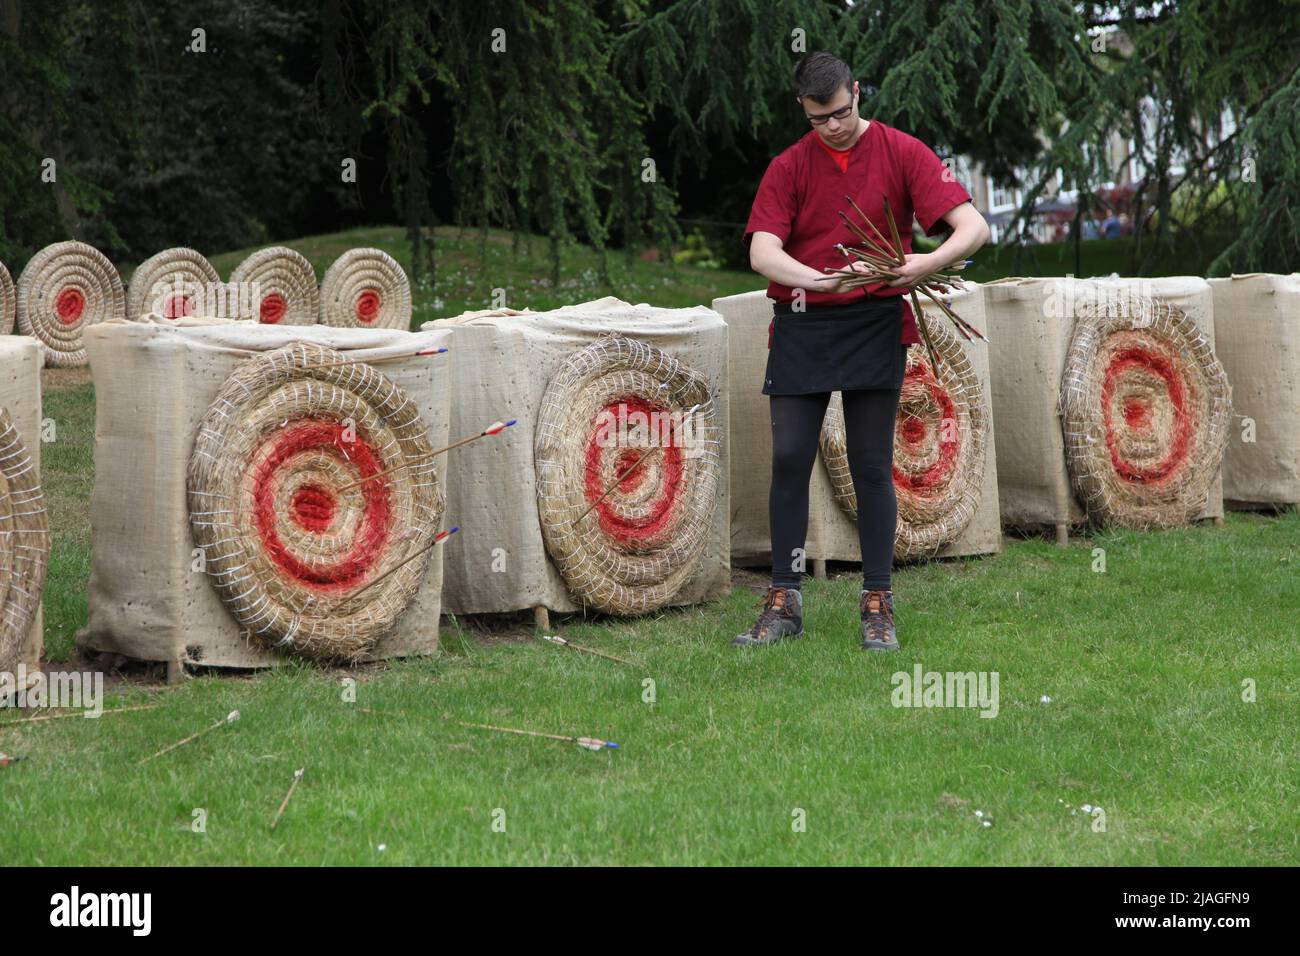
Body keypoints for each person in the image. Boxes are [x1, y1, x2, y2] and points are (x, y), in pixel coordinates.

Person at [735, 51, 989, 651]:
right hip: (802, 322)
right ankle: (783, 601)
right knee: (791, 457)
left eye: (842, 113)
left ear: (857, 93)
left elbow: (972, 226)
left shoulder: (903, 151)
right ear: (804, 107)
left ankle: (877, 602)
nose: (833, 127)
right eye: (820, 118)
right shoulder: (789, 166)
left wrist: (922, 263)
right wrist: (819, 282)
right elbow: (762, 253)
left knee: (872, 464)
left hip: (876, 319)